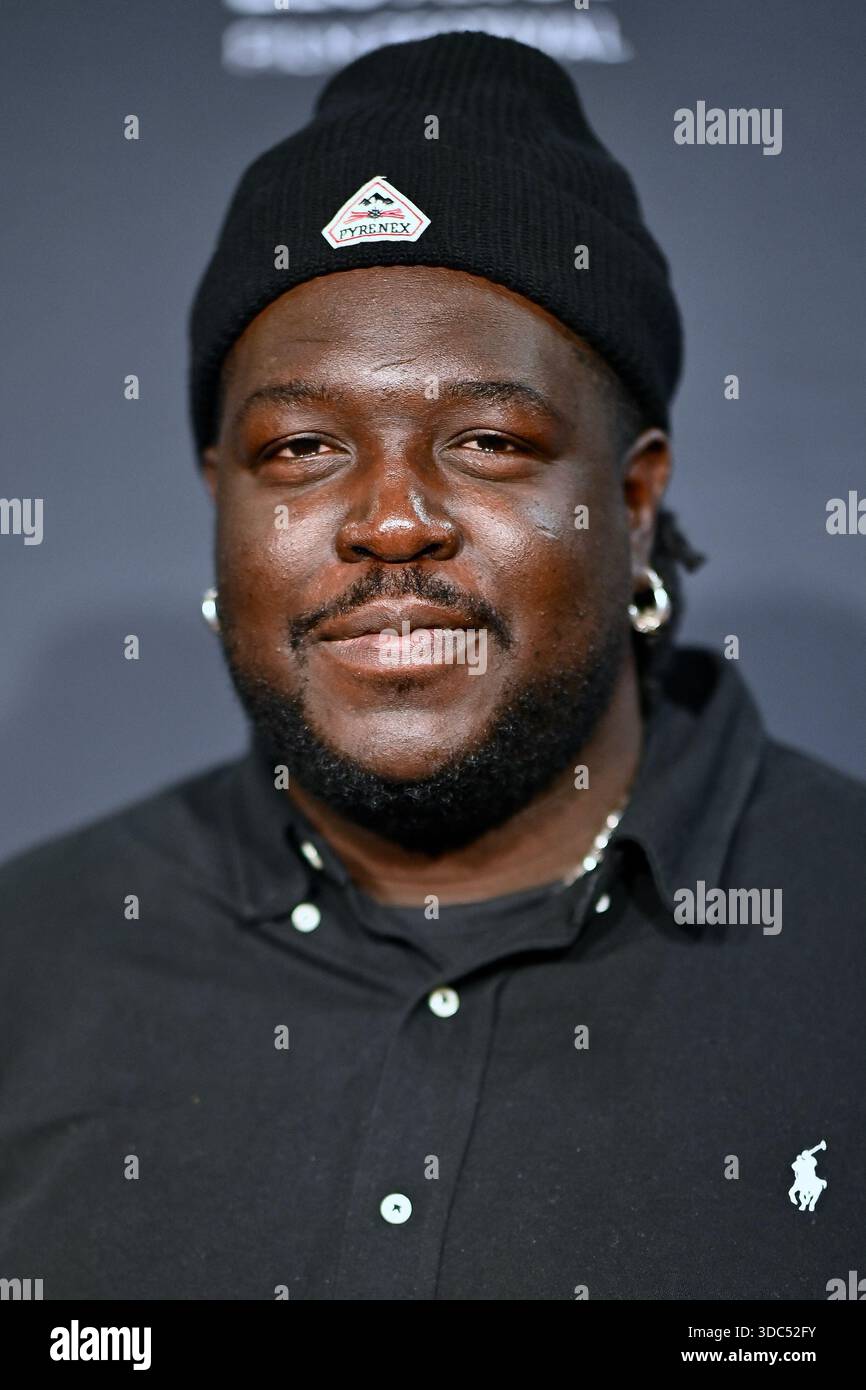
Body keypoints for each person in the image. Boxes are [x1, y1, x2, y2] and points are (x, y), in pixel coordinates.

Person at [1, 31, 864, 1302]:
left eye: (487, 441)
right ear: (219, 503)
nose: (391, 520)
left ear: (631, 502)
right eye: (298, 448)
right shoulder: (30, 963)